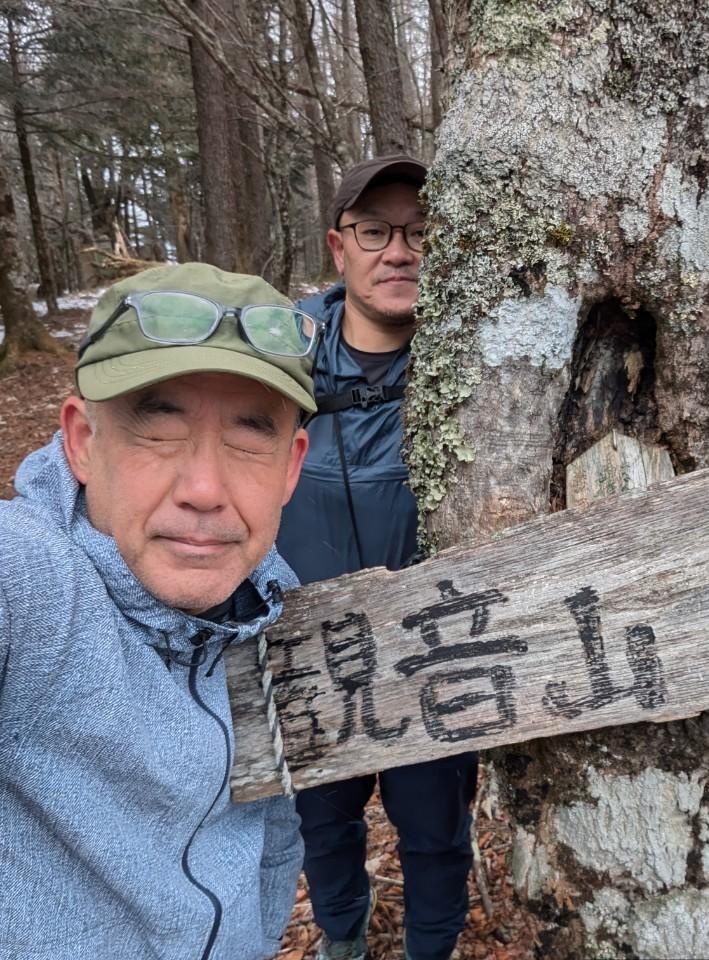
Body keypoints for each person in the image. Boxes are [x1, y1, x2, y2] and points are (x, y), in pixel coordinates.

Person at [0, 262, 318, 957]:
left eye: (248, 434)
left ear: (291, 467)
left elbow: (275, 827)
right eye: (157, 426)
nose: (204, 488)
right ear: (84, 443)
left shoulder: (274, 608)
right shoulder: (27, 583)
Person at [275, 155, 477, 960]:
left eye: (421, 232)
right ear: (339, 247)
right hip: (311, 661)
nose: (400, 250)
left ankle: (433, 949)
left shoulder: (476, 366)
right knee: (323, 827)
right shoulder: (281, 353)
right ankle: (342, 942)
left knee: (435, 834)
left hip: (434, 660)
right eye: (375, 231)